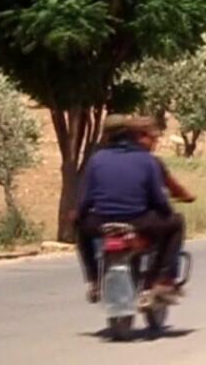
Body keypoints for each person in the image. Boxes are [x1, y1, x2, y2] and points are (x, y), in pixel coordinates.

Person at [75, 116, 187, 306]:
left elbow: (85, 200)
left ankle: (93, 280)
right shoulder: (148, 161)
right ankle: (162, 279)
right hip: (139, 221)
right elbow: (159, 200)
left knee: (79, 226)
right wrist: (166, 211)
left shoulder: (96, 160)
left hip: (102, 223)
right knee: (176, 223)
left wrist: (79, 215)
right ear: (134, 135)